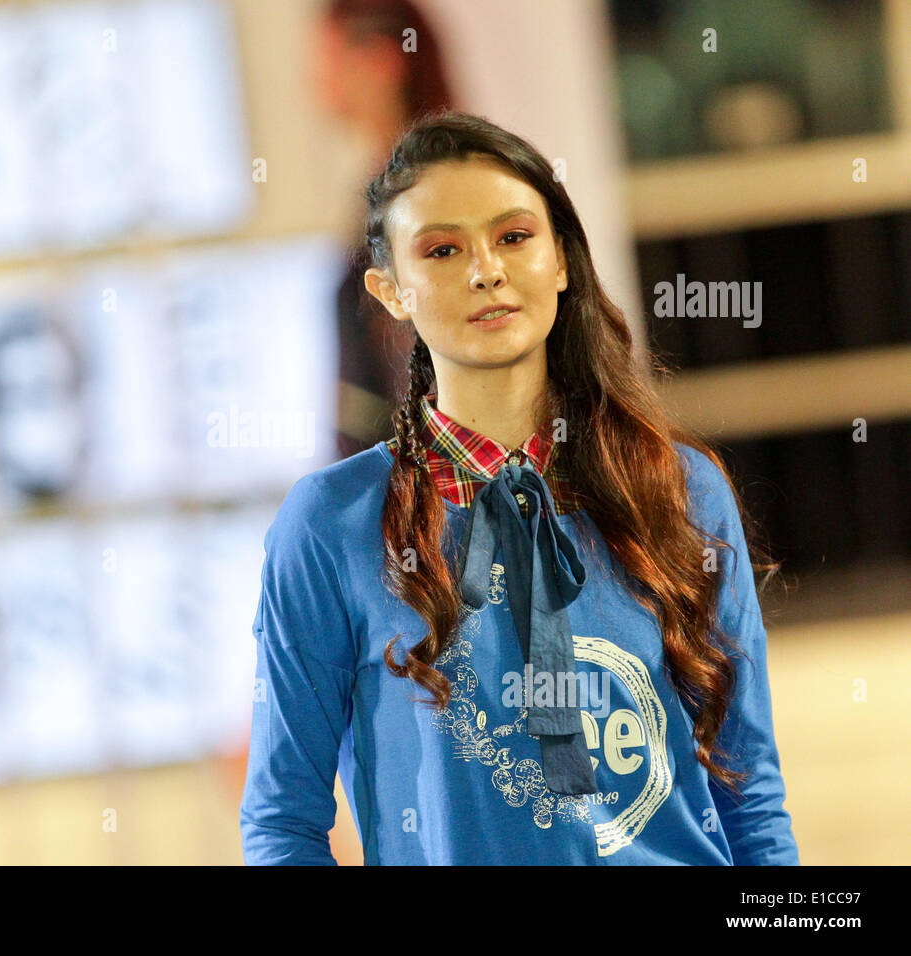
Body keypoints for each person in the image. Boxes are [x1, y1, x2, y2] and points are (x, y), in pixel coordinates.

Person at [239, 110, 799, 865]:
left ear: (561, 262)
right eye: (442, 249)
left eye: (514, 237)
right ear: (390, 290)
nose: (486, 270)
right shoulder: (333, 523)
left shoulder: (677, 488)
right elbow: (283, 824)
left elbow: (751, 795)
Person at [310, 0, 456, 459]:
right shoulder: (380, 190)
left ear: (381, 59)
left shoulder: (431, 194)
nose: (314, 81)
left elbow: (422, 361)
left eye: (327, 59)